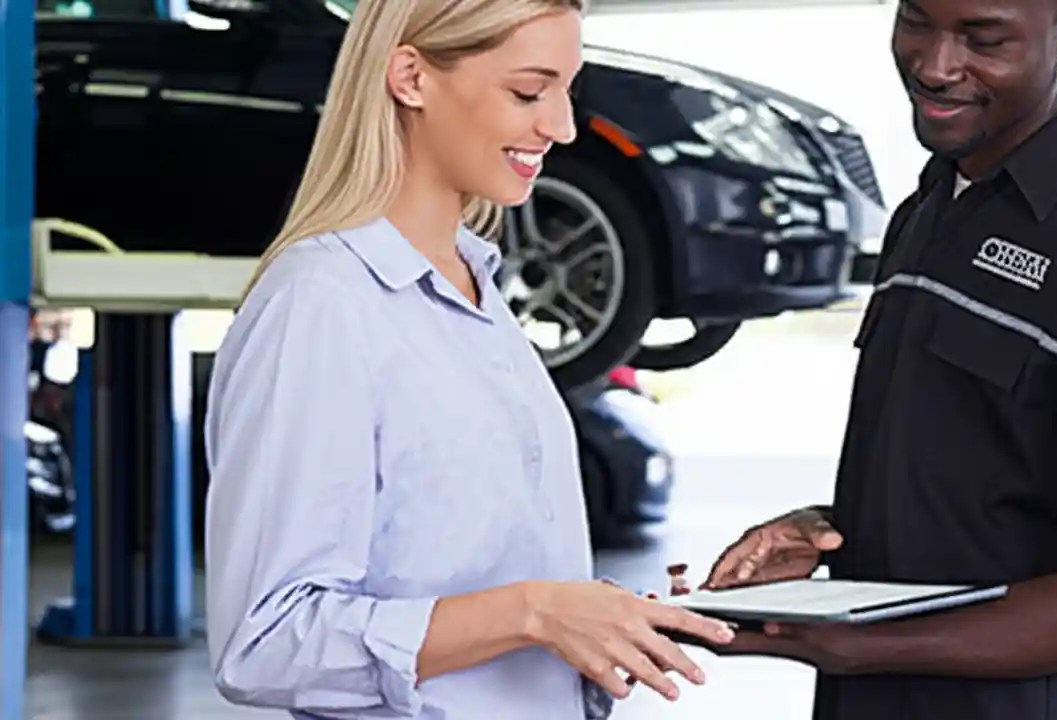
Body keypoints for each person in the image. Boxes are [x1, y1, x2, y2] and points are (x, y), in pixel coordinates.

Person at [672, 1, 1057, 719]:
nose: (934, 66)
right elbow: (993, 484)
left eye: (983, 38)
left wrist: (869, 645)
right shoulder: (932, 206)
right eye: (916, 19)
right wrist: (825, 530)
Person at [201, 1, 735, 718]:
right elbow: (265, 644)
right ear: (411, 77)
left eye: (567, 91)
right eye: (528, 91)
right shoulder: (321, 306)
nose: (563, 126)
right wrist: (533, 613)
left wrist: (592, 620)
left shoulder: (478, 288)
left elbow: (461, 576)